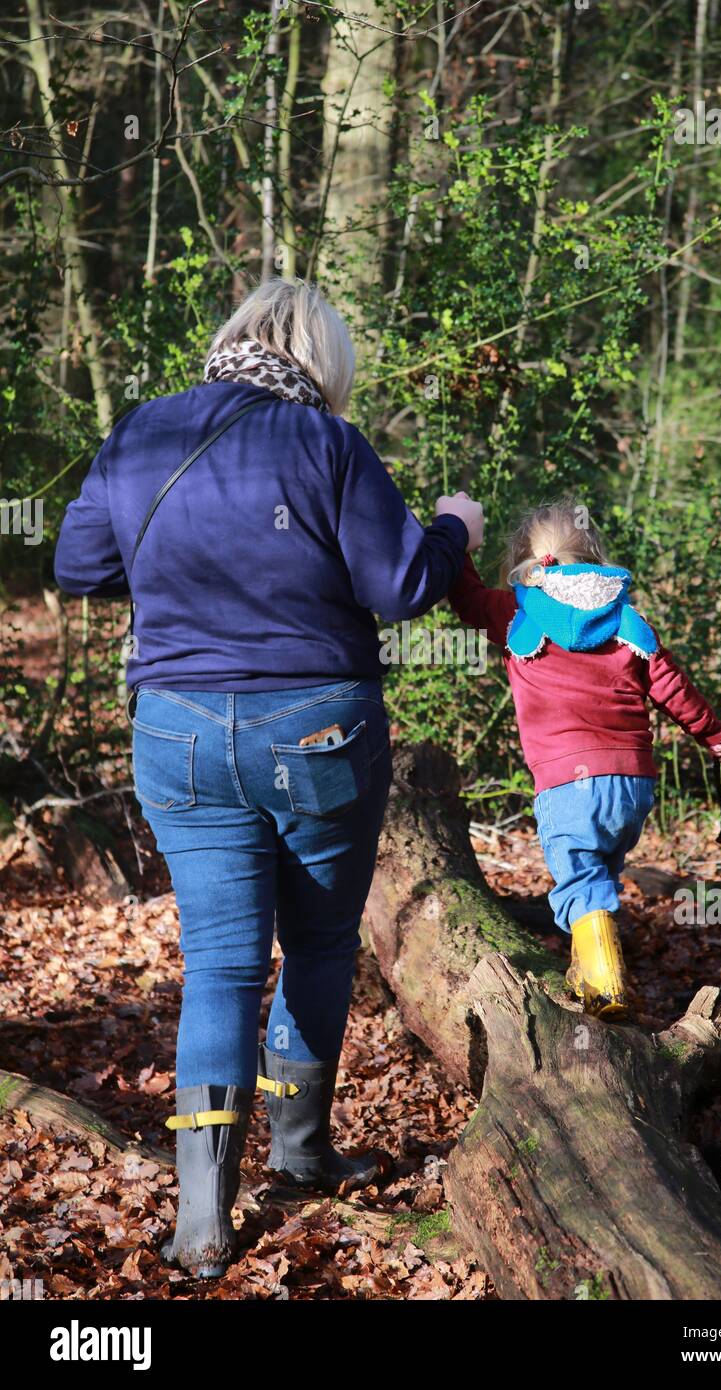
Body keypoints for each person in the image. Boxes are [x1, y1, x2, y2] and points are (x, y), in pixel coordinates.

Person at [54, 276, 484, 1277]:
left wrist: (177, 573)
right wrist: (454, 522)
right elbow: (404, 584)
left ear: (232, 338)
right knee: (321, 943)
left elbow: (77, 566)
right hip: (318, 727)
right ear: (318, 358)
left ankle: (201, 1218)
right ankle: (299, 1152)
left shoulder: (145, 434)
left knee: (219, 966)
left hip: (181, 731)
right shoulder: (327, 445)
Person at [448, 498, 721, 1020]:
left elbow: (463, 597)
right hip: (632, 783)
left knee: (579, 879)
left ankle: (604, 982)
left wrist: (458, 541)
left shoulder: (516, 611)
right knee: (598, 873)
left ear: (525, 561)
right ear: (592, 555)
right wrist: (712, 735)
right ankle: (588, 971)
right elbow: (670, 685)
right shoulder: (626, 618)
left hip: (566, 781)